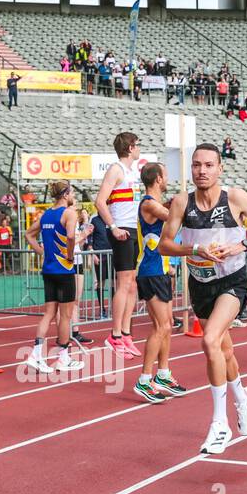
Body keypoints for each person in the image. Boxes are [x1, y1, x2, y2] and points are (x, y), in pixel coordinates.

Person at [159, 143, 247, 454]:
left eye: (209, 165)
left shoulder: (235, 198)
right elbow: (164, 245)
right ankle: (241, 400)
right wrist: (195, 250)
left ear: (220, 169)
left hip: (232, 280)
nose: (202, 170)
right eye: (197, 165)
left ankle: (219, 424)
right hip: (200, 284)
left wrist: (242, 246)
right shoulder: (180, 203)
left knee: (210, 341)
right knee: (224, 350)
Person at [131, 163, 185, 403]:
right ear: (158, 179)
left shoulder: (156, 204)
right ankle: (144, 380)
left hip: (160, 269)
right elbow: (173, 217)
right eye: (165, 174)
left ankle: (162, 374)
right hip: (150, 270)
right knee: (161, 326)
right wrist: (183, 203)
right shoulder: (148, 204)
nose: (168, 178)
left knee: (168, 324)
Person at [24, 181, 85, 376]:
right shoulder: (69, 213)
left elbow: (28, 235)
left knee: (49, 313)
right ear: (66, 194)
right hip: (65, 270)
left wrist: (42, 252)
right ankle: (63, 358)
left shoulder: (46, 214)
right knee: (66, 315)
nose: (73, 195)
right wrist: (68, 255)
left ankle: (36, 354)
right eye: (72, 192)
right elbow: (70, 237)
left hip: (49, 269)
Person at [96, 131, 143, 359]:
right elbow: (99, 201)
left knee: (132, 284)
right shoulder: (116, 169)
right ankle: (114, 335)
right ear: (130, 147)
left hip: (134, 230)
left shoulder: (132, 171)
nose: (140, 148)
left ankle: (125, 333)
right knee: (124, 283)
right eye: (138, 145)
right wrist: (113, 226)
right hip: (121, 230)